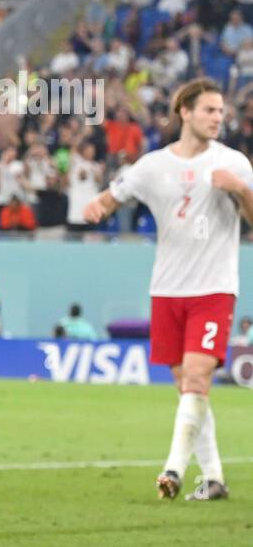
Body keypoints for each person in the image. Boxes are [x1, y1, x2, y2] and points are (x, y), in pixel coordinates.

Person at [84, 78, 253, 501]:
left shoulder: (233, 163)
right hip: (167, 290)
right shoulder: (153, 165)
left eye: (221, 112)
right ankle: (213, 479)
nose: (218, 118)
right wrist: (96, 206)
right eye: (209, 110)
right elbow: (112, 197)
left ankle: (173, 470)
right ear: (185, 112)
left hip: (214, 288)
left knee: (197, 378)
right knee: (187, 389)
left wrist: (241, 191)